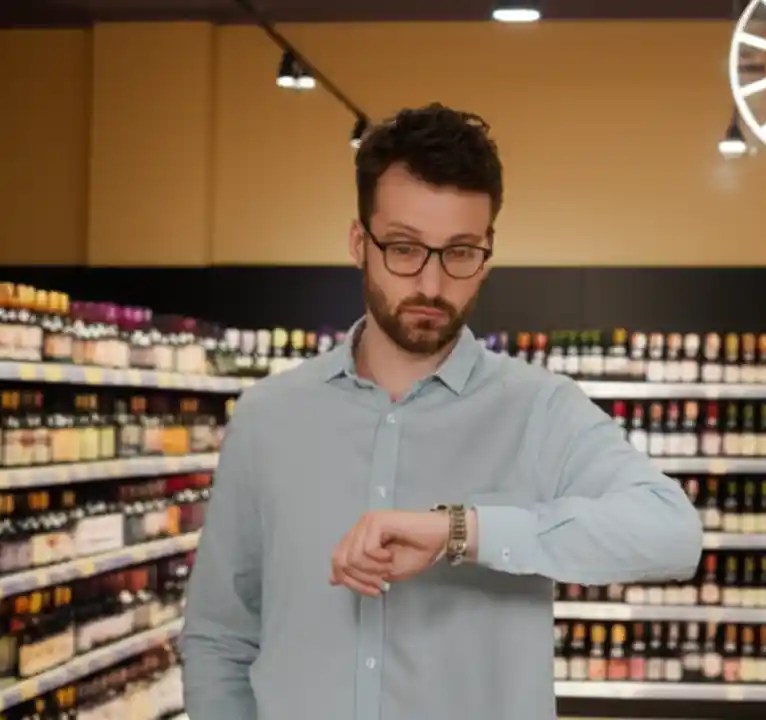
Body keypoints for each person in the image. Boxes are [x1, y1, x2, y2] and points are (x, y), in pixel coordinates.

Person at [180, 103, 703, 720]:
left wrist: (460, 531)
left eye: (459, 253)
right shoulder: (269, 417)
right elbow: (220, 636)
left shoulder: (540, 410)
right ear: (359, 243)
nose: (431, 284)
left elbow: (673, 534)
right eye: (403, 248)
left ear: (488, 251)